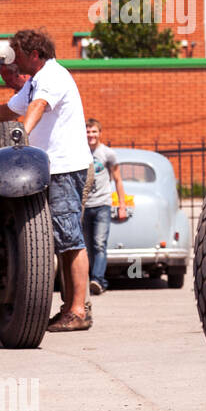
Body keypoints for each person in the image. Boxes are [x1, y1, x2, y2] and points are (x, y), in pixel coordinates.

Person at [0, 30, 92, 331]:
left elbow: (37, 108)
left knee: (70, 239)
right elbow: (9, 109)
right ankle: (71, 308)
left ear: (35, 54)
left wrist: (22, 133)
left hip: (64, 168)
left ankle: (78, 311)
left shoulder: (52, 77)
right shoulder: (34, 81)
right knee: (62, 239)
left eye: (18, 54)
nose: (15, 62)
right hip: (52, 169)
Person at [83, 118, 128, 296]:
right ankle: (89, 279)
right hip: (85, 206)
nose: (91, 135)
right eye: (88, 131)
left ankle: (98, 280)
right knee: (86, 246)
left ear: (100, 133)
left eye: (94, 131)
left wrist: (121, 205)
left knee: (99, 244)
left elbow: (117, 179)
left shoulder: (108, 154)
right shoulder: (79, 152)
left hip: (103, 204)